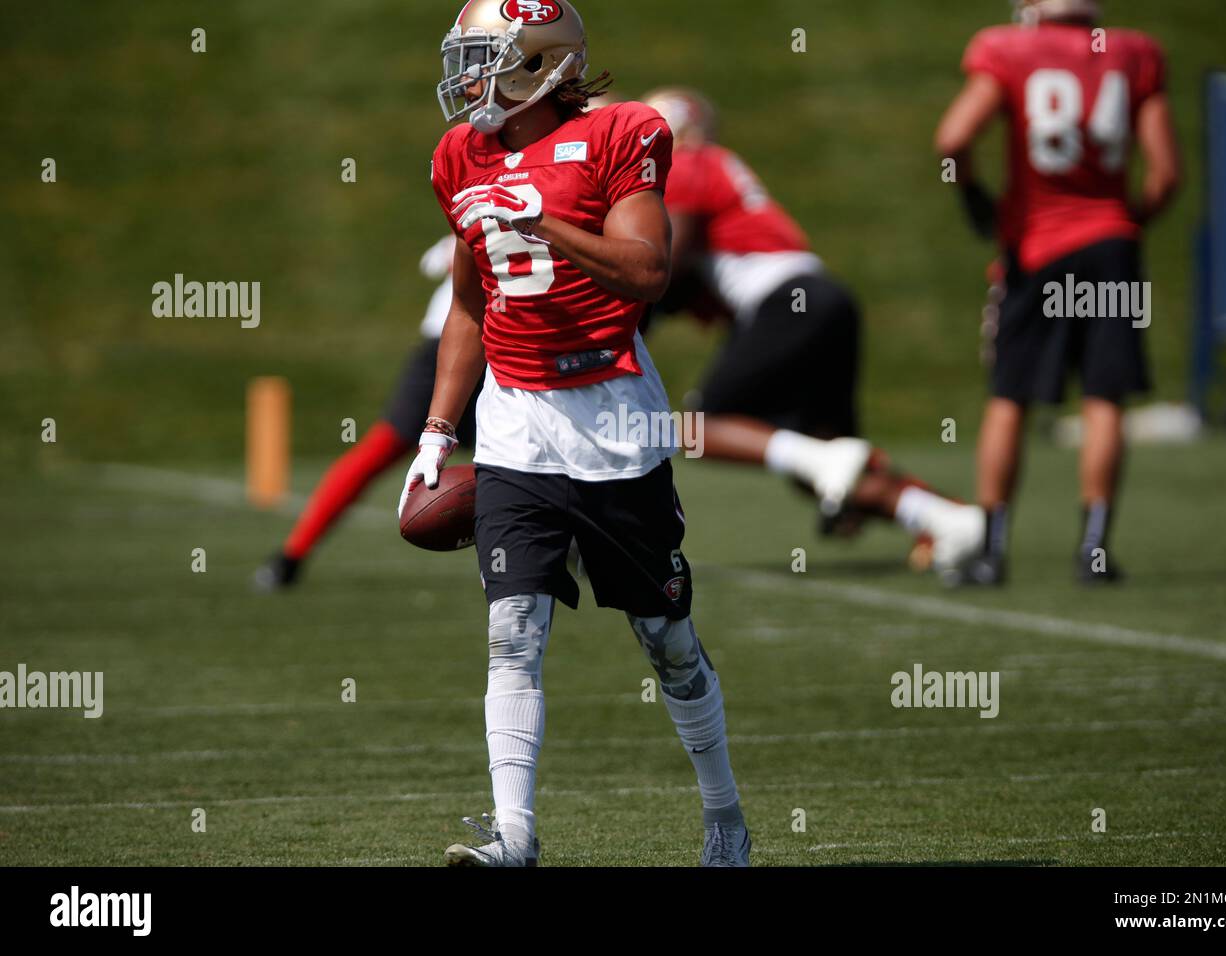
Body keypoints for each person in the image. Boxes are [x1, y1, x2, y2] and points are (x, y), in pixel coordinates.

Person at [406, 0, 748, 866]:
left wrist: (544, 223)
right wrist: (439, 430)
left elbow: (647, 269)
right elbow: (469, 306)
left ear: (541, 62)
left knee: (667, 641)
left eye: (484, 57)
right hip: (515, 420)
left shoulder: (620, 134)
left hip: (613, 415)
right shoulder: (461, 154)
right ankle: (514, 837)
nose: (467, 76)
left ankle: (725, 820)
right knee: (511, 630)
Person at [643, 87, 985, 576]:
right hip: (822, 299)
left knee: (694, 428)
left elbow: (664, 268)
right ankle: (951, 518)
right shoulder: (718, 165)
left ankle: (830, 465)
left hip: (788, 302)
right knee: (823, 460)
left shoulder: (688, 163)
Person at [934, 0, 1179, 584]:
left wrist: (975, 198)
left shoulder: (1009, 48)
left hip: (1039, 247)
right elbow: (1167, 175)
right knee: (1104, 396)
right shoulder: (1133, 53)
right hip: (1111, 247)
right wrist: (1126, 227)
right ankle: (1094, 548)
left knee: (1010, 396)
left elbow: (953, 138)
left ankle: (992, 552)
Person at [252, 238, 481, 591]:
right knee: (381, 449)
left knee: (528, 461)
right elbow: (435, 260)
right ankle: (291, 555)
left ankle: (566, 547)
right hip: (450, 344)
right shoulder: (487, 199)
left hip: (509, 348)